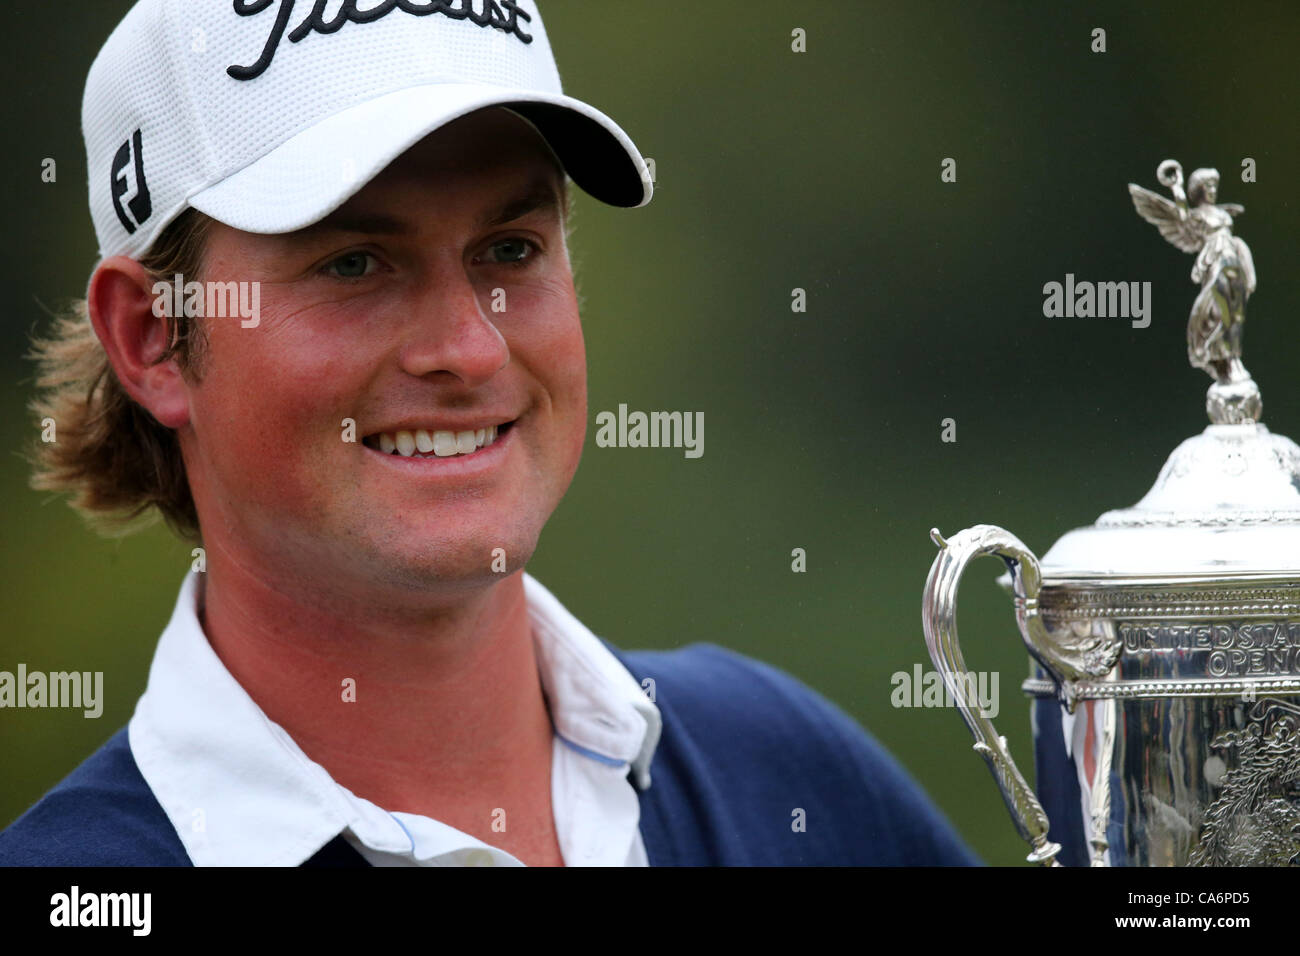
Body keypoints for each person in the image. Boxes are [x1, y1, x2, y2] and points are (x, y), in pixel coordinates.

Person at [0, 0, 977, 867]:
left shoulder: (783, 771)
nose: (466, 347)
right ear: (153, 336)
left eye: (510, 250)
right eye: (353, 264)